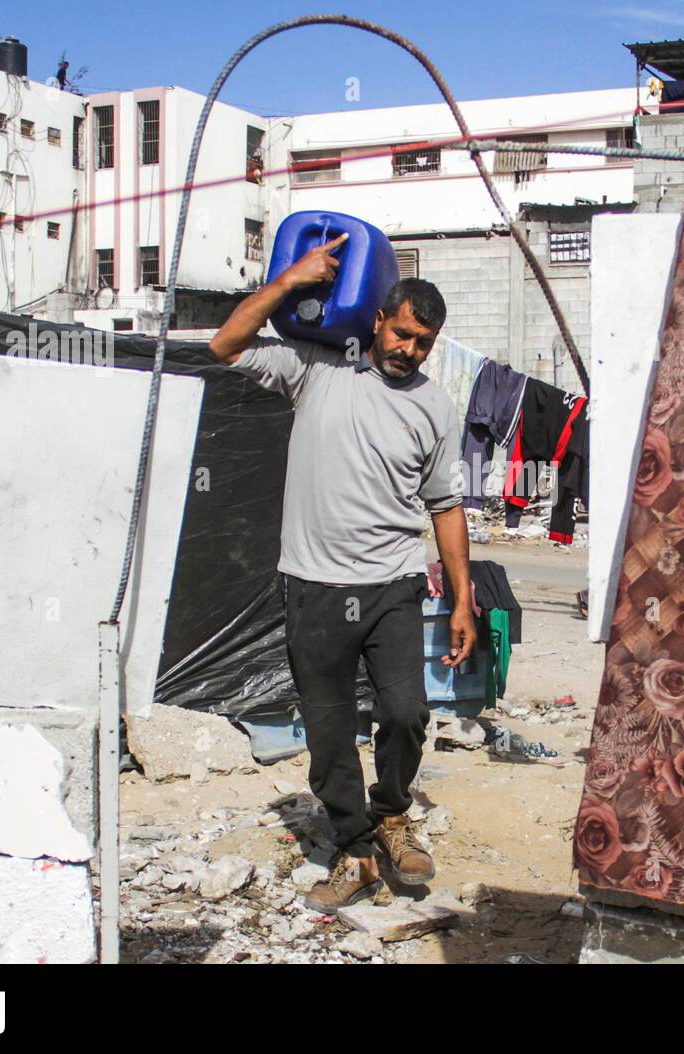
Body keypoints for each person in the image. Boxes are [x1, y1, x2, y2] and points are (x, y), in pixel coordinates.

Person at [208, 235, 475, 911]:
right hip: (314, 586)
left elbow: (445, 506)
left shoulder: (435, 408)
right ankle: (355, 848)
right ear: (378, 320)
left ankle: (390, 811)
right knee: (329, 734)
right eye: (404, 333)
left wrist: (465, 601)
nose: (409, 350)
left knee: (406, 712)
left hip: (392, 585)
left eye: (424, 342)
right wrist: (292, 279)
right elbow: (226, 345)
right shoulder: (318, 368)